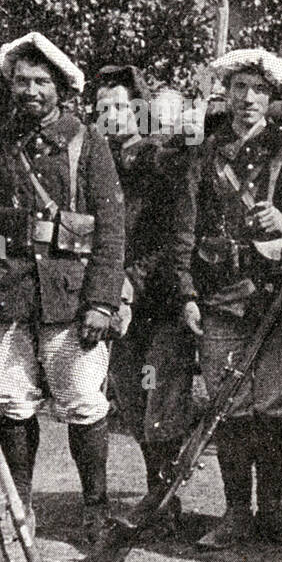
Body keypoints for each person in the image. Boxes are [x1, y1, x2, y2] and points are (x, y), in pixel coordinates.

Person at [0, 32, 124, 558]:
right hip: (3, 298)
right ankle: (16, 508)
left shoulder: (87, 143)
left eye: (41, 82)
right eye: (22, 81)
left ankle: (95, 511)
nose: (30, 90)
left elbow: (112, 228)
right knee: (13, 404)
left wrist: (101, 302)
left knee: (82, 403)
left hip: (70, 302)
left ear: (61, 89)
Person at [172, 48, 282, 549]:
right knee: (230, 406)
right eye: (239, 87)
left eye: (259, 90)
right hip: (221, 299)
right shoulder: (202, 155)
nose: (248, 99)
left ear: (272, 98)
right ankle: (236, 512)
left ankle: (273, 511)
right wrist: (187, 294)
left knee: (274, 407)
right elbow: (183, 232)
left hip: (280, 300)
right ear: (226, 92)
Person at [95, 66, 196, 531]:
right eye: (103, 109)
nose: (112, 117)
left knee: (162, 399)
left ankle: (163, 500)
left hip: (160, 303)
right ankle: (159, 491)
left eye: (121, 107)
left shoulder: (165, 163)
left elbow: (174, 235)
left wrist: (133, 278)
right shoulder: (96, 163)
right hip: (117, 303)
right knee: (132, 398)